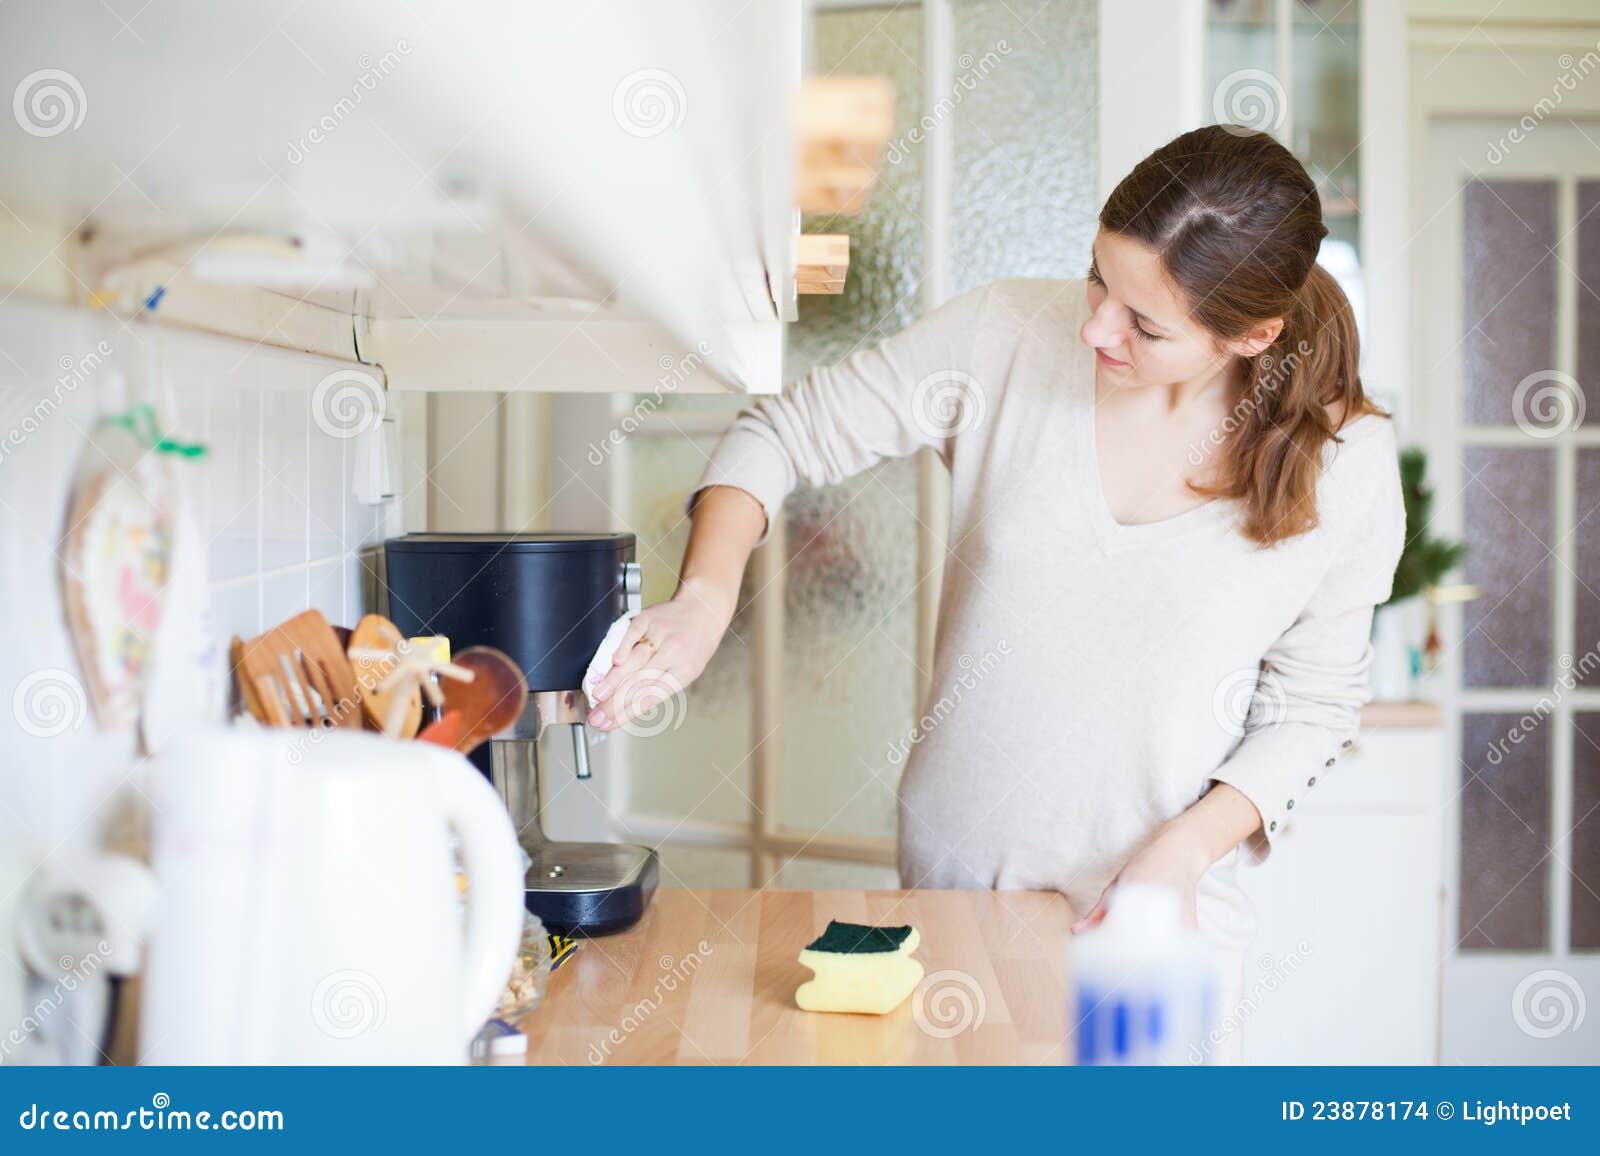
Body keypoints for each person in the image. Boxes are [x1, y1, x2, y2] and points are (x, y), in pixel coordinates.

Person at [587, 125, 1404, 1062]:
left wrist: (1175, 858)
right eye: (1100, 279)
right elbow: (783, 433)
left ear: (1253, 336)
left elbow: (1314, 708)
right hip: (950, 905)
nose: (1097, 327)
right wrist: (704, 601)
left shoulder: (1346, 463)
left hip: (1148, 942)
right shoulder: (1005, 336)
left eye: (1146, 324)